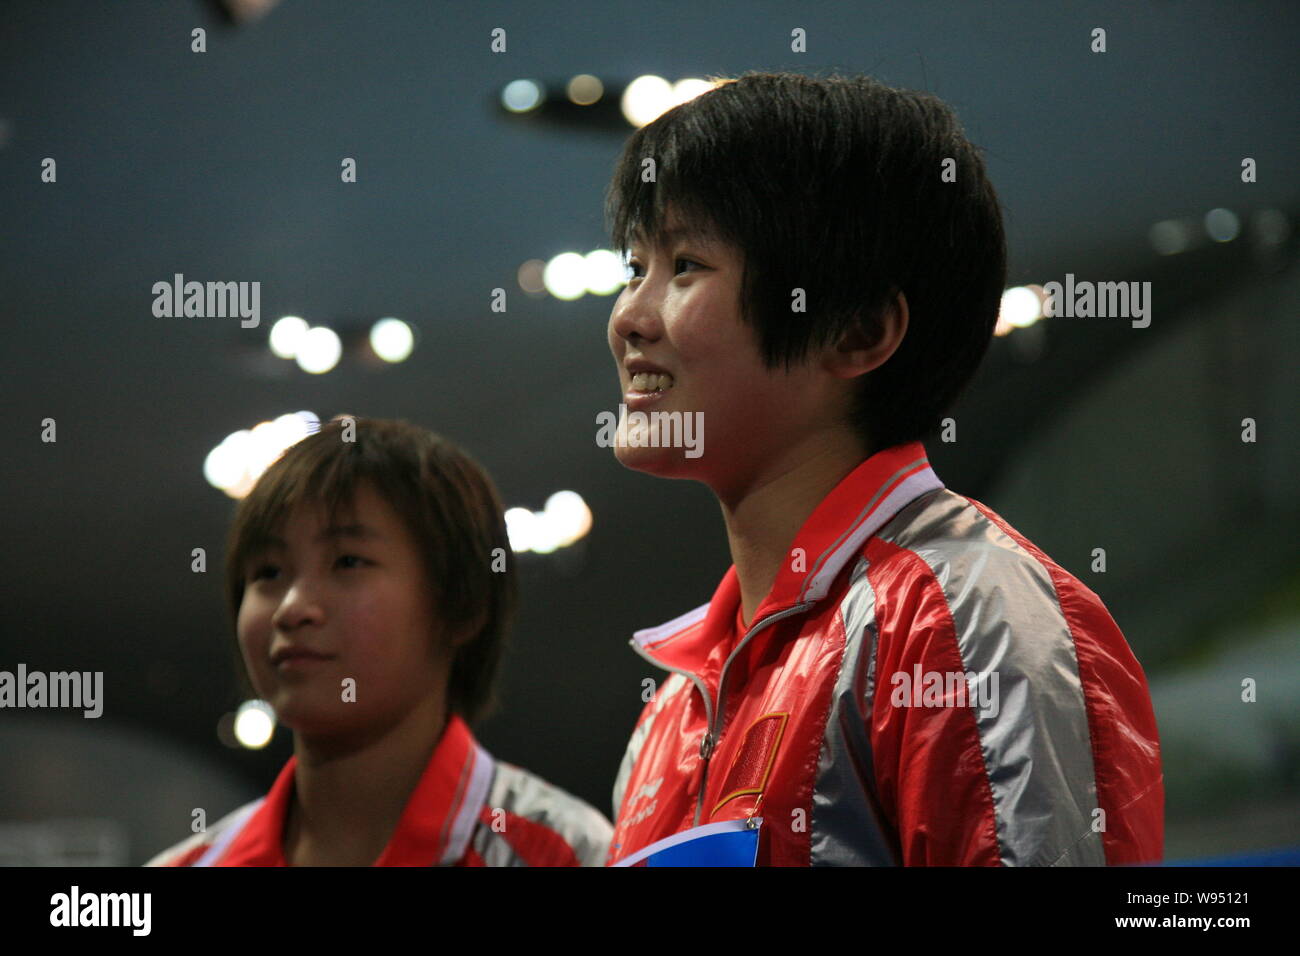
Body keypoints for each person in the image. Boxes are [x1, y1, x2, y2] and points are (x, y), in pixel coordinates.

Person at [601, 71, 1163, 866]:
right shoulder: (674, 708)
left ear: (859, 332)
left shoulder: (966, 619)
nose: (629, 317)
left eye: (685, 264)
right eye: (634, 267)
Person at [147, 417, 611, 866]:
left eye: (348, 562)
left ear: (463, 604)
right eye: (267, 572)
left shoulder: (568, 854)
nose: (293, 608)